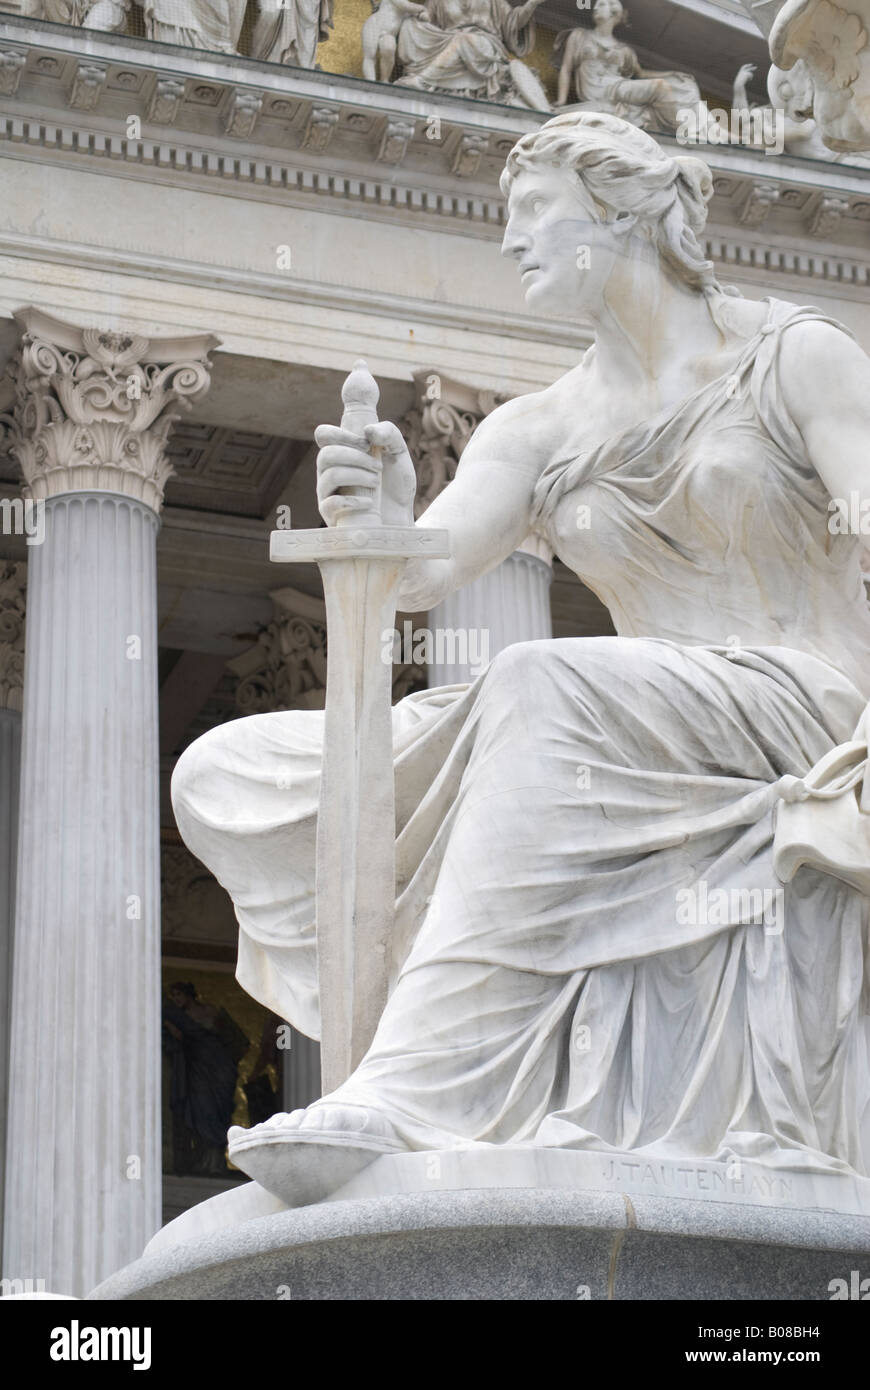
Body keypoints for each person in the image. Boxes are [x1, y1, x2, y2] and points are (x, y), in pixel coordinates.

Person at [173, 112, 870, 1202]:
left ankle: (421, 1084)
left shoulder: (798, 358)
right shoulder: (540, 428)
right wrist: (389, 516)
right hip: (634, 718)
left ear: (621, 211)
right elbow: (418, 575)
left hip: (806, 707)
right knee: (225, 772)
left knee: (540, 681)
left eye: (532, 211)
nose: (510, 242)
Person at [554, 0, 700, 132]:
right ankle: (683, 132)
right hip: (595, 92)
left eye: (602, 4)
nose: (596, 6)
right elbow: (566, 69)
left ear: (614, 14)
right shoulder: (579, 35)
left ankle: (683, 130)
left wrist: (671, 73)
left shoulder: (624, 50)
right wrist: (561, 100)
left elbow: (640, 74)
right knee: (661, 88)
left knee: (665, 86)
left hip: (616, 88)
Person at [163, 982, 248, 1175]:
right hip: (198, 1073)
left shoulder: (211, 1012)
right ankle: (205, 1161)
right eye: (173, 996)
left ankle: (216, 1162)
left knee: (217, 1113)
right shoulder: (180, 1019)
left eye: (178, 994)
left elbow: (235, 1040)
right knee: (201, 1112)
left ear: (189, 995)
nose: (176, 999)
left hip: (219, 1071)